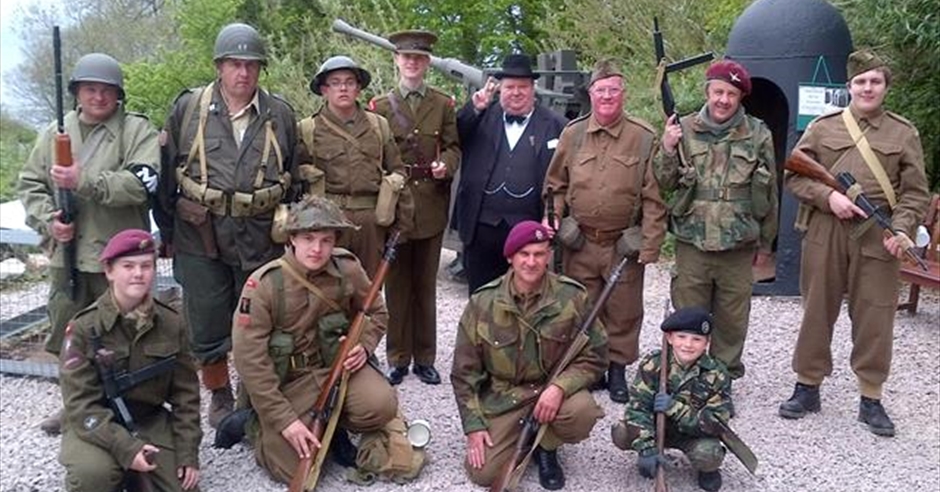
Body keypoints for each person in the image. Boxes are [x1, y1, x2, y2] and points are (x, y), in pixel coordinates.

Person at [155, 22, 302, 428]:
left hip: (259, 235)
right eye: (235, 64)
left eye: (252, 65)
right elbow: (166, 176)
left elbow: (294, 178)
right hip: (198, 233)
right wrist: (166, 232)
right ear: (219, 66)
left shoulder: (280, 115)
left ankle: (252, 393)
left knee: (259, 318)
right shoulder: (189, 109)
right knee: (205, 320)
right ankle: (218, 392)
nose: (244, 73)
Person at [778, 49, 929, 437]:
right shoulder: (825, 127)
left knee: (876, 315)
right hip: (827, 229)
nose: (867, 88)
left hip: (880, 234)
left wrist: (902, 229)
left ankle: (871, 397)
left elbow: (915, 193)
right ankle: (807, 387)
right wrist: (828, 197)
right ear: (849, 87)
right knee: (817, 309)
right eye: (860, 81)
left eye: (875, 81)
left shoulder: (903, 132)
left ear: (885, 87)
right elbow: (793, 174)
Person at [230, 195, 424, 484]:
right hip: (288, 382)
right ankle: (253, 424)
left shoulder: (347, 268)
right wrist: (285, 421)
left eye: (326, 239)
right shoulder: (264, 285)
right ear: (292, 238)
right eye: (308, 238)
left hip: (336, 369)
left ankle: (333, 429)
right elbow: (250, 362)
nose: (317, 248)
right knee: (291, 471)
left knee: (382, 405)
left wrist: (365, 345)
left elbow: (378, 312)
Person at [18, 52, 160, 435]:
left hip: (120, 258)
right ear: (77, 92)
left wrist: (86, 181)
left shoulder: (136, 131)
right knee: (69, 334)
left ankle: (135, 408)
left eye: (106, 90)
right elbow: (30, 184)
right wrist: (49, 221)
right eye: (90, 89)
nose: (98, 97)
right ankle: (75, 408)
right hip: (70, 257)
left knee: (130, 333)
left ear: (119, 95)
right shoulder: (54, 134)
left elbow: (141, 184)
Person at [543, 60, 666, 403]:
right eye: (601, 90)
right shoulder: (573, 134)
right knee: (580, 307)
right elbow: (555, 186)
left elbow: (654, 197)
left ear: (623, 93)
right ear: (591, 94)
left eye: (614, 89)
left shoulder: (643, 138)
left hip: (621, 244)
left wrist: (647, 241)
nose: (607, 96)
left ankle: (616, 372)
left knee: (623, 309)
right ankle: (587, 369)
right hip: (579, 241)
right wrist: (559, 225)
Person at [451, 221, 607, 490]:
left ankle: (546, 447)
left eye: (539, 253)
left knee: (582, 413)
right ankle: (524, 437)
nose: (532, 262)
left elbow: (596, 355)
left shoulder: (572, 297)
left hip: (549, 391)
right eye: (524, 254)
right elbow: (464, 373)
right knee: (483, 474)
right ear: (510, 257)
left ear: (549, 256)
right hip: (504, 397)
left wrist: (560, 387)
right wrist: (474, 425)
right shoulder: (483, 303)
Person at [654, 59, 778, 384]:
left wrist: (766, 245)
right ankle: (684, 378)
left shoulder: (757, 134)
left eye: (732, 94)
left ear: (740, 98)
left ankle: (721, 380)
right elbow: (663, 182)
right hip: (692, 242)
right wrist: (667, 147)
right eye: (718, 91)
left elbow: (770, 193)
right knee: (687, 316)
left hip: (737, 245)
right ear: (707, 91)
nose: (723, 100)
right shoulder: (683, 129)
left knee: (732, 320)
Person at [58, 229, 201, 492]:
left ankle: (134, 474)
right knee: (93, 477)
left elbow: (186, 396)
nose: (138, 273)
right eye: (128, 266)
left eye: (146, 266)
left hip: (149, 420)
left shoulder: (171, 322)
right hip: (98, 425)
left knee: (184, 486)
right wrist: (127, 449)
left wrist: (188, 453)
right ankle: (119, 471)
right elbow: (80, 404)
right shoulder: (83, 328)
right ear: (109, 271)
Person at [369, 30, 461, 386]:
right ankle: (397, 358)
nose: (412, 63)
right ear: (396, 60)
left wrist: (447, 166)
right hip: (395, 207)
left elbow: (453, 147)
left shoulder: (443, 105)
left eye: (419, 58)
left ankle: (425, 358)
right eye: (406, 57)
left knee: (425, 288)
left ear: (427, 64)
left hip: (431, 205)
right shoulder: (378, 107)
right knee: (396, 287)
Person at [455, 54, 567, 294]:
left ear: (532, 89)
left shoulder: (556, 125)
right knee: (481, 298)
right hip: (481, 227)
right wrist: (474, 108)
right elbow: (454, 135)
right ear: (500, 89)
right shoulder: (481, 115)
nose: (516, 92)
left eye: (522, 87)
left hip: (529, 229)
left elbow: (566, 175)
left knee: (526, 297)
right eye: (510, 87)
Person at [298, 55, 410, 278]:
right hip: (326, 221)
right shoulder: (307, 129)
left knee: (367, 290)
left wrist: (402, 225)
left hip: (371, 223)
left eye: (350, 82)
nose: (343, 88)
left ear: (358, 88)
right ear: (324, 90)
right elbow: (295, 181)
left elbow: (398, 172)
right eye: (336, 83)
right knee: (324, 287)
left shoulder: (378, 126)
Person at [612, 306, 732, 492]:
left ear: (706, 342)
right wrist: (646, 448)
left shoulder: (717, 373)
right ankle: (652, 452)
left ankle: (706, 470)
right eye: (681, 337)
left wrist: (676, 408)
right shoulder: (653, 364)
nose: (688, 345)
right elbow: (637, 409)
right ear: (670, 338)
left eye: (697, 339)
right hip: (654, 428)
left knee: (709, 455)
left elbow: (716, 422)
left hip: (691, 434)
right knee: (621, 433)